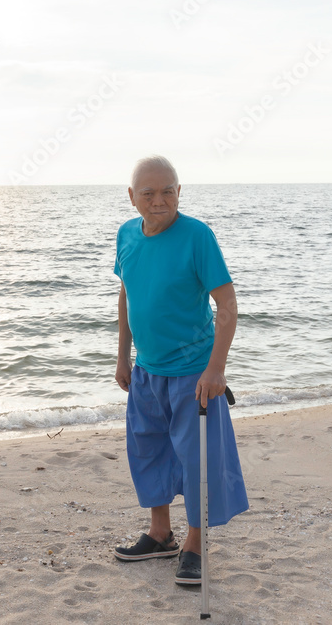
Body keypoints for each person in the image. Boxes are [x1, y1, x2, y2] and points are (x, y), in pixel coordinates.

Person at [112, 155, 248, 586]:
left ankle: (194, 543)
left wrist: (216, 370)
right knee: (149, 451)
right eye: (148, 193)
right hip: (147, 371)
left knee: (197, 460)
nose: (159, 201)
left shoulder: (197, 236)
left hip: (194, 374)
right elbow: (126, 296)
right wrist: (122, 357)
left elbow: (227, 306)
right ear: (132, 197)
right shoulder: (126, 236)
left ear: (179, 192)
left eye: (167, 191)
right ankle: (160, 534)